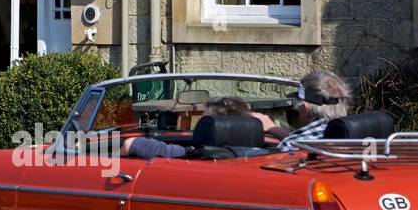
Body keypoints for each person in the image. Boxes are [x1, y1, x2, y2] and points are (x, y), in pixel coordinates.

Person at [123, 96, 276, 160]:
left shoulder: (192, 154)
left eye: (205, 121)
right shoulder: (268, 155)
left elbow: (130, 144)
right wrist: (273, 128)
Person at [273, 70, 354, 152]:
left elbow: (298, 141)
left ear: (305, 109)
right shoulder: (353, 134)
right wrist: (275, 130)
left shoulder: (291, 146)